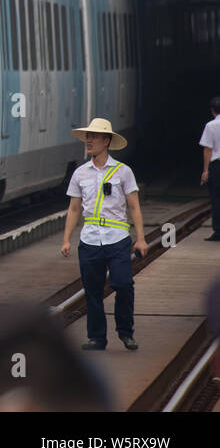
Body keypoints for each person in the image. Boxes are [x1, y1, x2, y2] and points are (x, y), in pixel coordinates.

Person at [61, 118, 149, 351]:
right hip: (90, 239)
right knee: (92, 291)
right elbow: (74, 208)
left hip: (118, 237)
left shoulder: (123, 172)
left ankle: (125, 332)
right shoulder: (80, 173)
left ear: (107, 141)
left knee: (123, 284)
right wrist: (67, 239)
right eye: (87, 136)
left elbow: (134, 207)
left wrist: (140, 238)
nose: (89, 141)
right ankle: (97, 337)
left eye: (95, 137)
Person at [199, 96, 220, 241]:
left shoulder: (210, 126)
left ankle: (218, 230)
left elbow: (208, 149)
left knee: (216, 198)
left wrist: (205, 170)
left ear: (212, 111)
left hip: (216, 165)